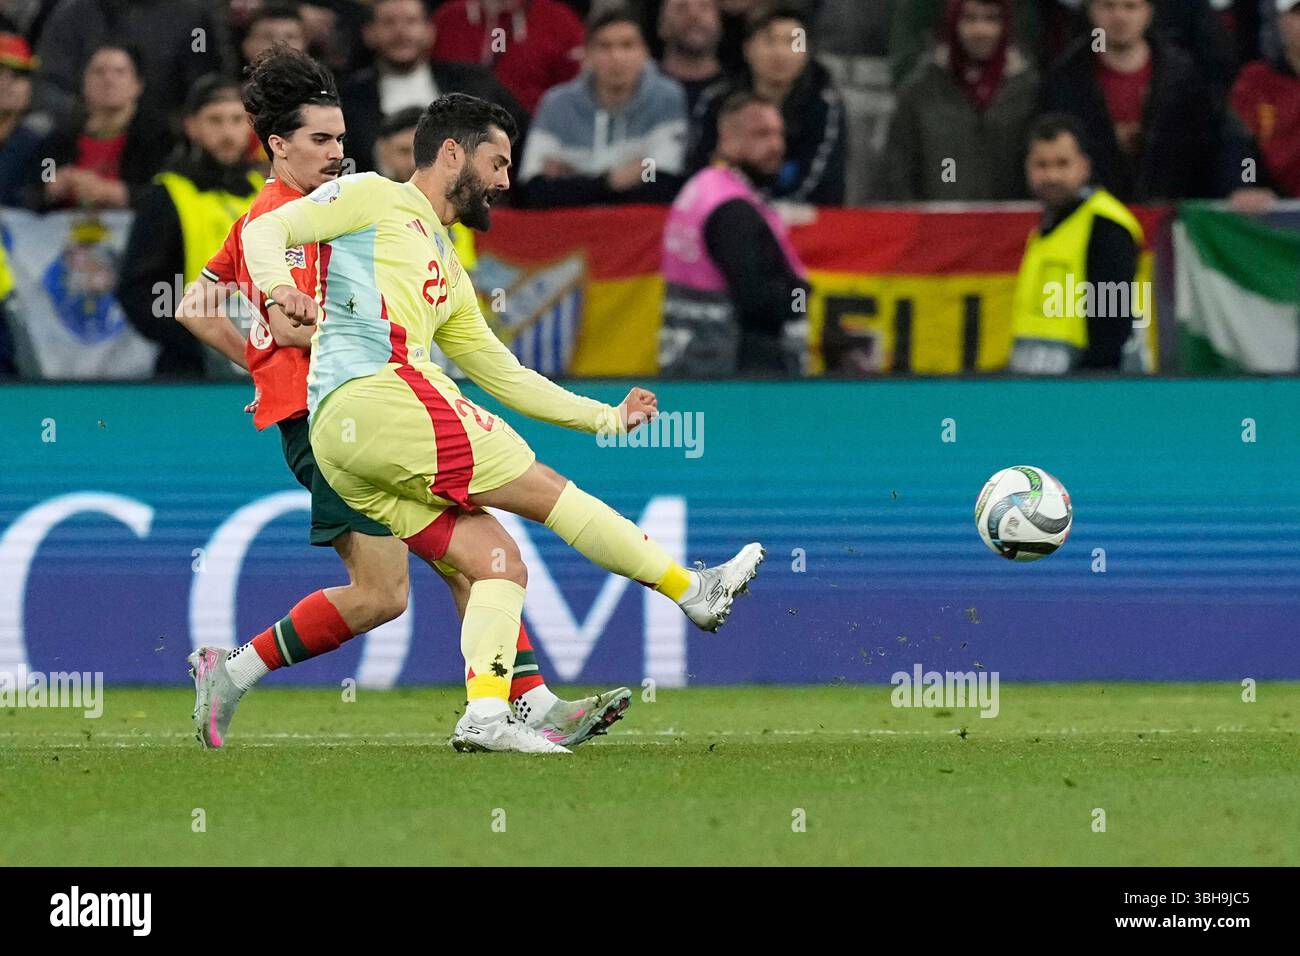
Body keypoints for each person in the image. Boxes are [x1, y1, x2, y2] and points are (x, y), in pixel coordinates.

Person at [242, 93, 765, 754]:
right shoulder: (374, 196)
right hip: (383, 397)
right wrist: (277, 285)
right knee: (545, 490)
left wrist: (607, 417)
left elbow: (507, 376)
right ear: (453, 153)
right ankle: (692, 590)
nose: (505, 181)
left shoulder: (448, 271)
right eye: (498, 161)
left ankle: (487, 715)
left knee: (499, 562)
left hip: (353, 442)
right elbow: (265, 231)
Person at [178, 53, 629, 750]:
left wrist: (262, 366)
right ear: (278, 145)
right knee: (385, 592)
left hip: (374, 404)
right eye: (321, 142)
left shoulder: (324, 208)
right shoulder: (282, 218)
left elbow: (203, 306)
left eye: (340, 139)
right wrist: (271, 372)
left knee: (470, 551)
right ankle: (232, 670)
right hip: (340, 416)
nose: (339, 154)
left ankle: (529, 702)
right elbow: (263, 315)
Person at [116, 76, 262, 376]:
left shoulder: (264, 191)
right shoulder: (167, 194)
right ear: (191, 126)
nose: (227, 133)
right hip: (192, 368)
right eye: (215, 121)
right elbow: (138, 290)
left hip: (264, 363)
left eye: (237, 120)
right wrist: (196, 337)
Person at [660, 92, 809, 377]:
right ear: (727, 139)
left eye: (779, 134)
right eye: (761, 135)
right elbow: (757, 300)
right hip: (735, 371)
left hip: (690, 361)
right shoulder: (732, 209)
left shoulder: (702, 188)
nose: (776, 145)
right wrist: (800, 293)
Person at [1040, 0, 1244, 202]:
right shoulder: (1067, 78)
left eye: (1130, 6)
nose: (1119, 16)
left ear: (1148, 12)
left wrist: (1244, 183)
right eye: (1108, 6)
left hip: (1173, 216)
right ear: (1091, 11)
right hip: (1094, 214)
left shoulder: (1185, 77)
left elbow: (1227, 141)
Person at [1008, 113, 1145, 374]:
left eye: (1062, 163)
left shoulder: (1106, 227)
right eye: (1042, 165)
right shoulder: (1047, 227)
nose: (1052, 176)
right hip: (1041, 389)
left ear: (1084, 166)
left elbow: (1111, 324)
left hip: (1087, 391)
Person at [519, 6, 687, 207]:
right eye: (605, 46)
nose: (616, 57)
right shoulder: (556, 104)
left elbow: (661, 187)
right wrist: (612, 180)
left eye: (627, 45)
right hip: (569, 231)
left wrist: (573, 182)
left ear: (645, 53)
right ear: (588, 55)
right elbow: (534, 193)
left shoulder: (667, 98)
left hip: (639, 230)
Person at [339, 0, 526, 175]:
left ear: (430, 32)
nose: (401, 32)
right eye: (389, 23)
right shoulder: (348, 98)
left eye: (411, 22)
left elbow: (516, 132)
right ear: (369, 34)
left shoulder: (472, 82)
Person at [879, 0, 1038, 201]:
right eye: (969, 18)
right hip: (936, 224)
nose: (981, 30)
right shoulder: (921, 90)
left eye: (991, 19)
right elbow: (897, 171)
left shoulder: (1028, 90)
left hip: (1011, 225)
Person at [689, 5, 847, 205]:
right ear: (747, 49)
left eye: (793, 42)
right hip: (724, 213)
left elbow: (825, 185)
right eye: (769, 41)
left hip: (799, 219)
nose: (780, 53)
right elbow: (700, 169)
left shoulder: (824, 105)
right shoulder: (717, 99)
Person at [33, 41, 171, 210]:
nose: (108, 79)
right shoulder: (59, 140)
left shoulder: (160, 139)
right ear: (84, 83)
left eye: (120, 72)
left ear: (137, 85)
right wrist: (51, 188)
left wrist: (112, 193)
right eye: (98, 72)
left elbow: (168, 199)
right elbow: (29, 192)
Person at [34, 0, 232, 117]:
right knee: (38, 127)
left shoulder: (193, 15)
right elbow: (49, 82)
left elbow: (208, 85)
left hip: (165, 133)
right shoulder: (73, 13)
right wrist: (85, 114)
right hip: (81, 128)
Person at [430, 0, 585, 115]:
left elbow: (575, 94)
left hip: (528, 138)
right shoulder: (447, 19)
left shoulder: (561, 22)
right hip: (454, 135)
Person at [1230, 0, 1300, 198]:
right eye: (1298, 13)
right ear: (1282, 21)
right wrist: (1248, 183)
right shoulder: (1255, 81)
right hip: (1277, 212)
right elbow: (1243, 146)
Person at [658, 0, 723, 113]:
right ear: (663, 26)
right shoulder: (642, 90)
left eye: (704, 7)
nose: (694, 15)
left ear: (719, 23)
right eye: (681, 7)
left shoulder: (737, 92)